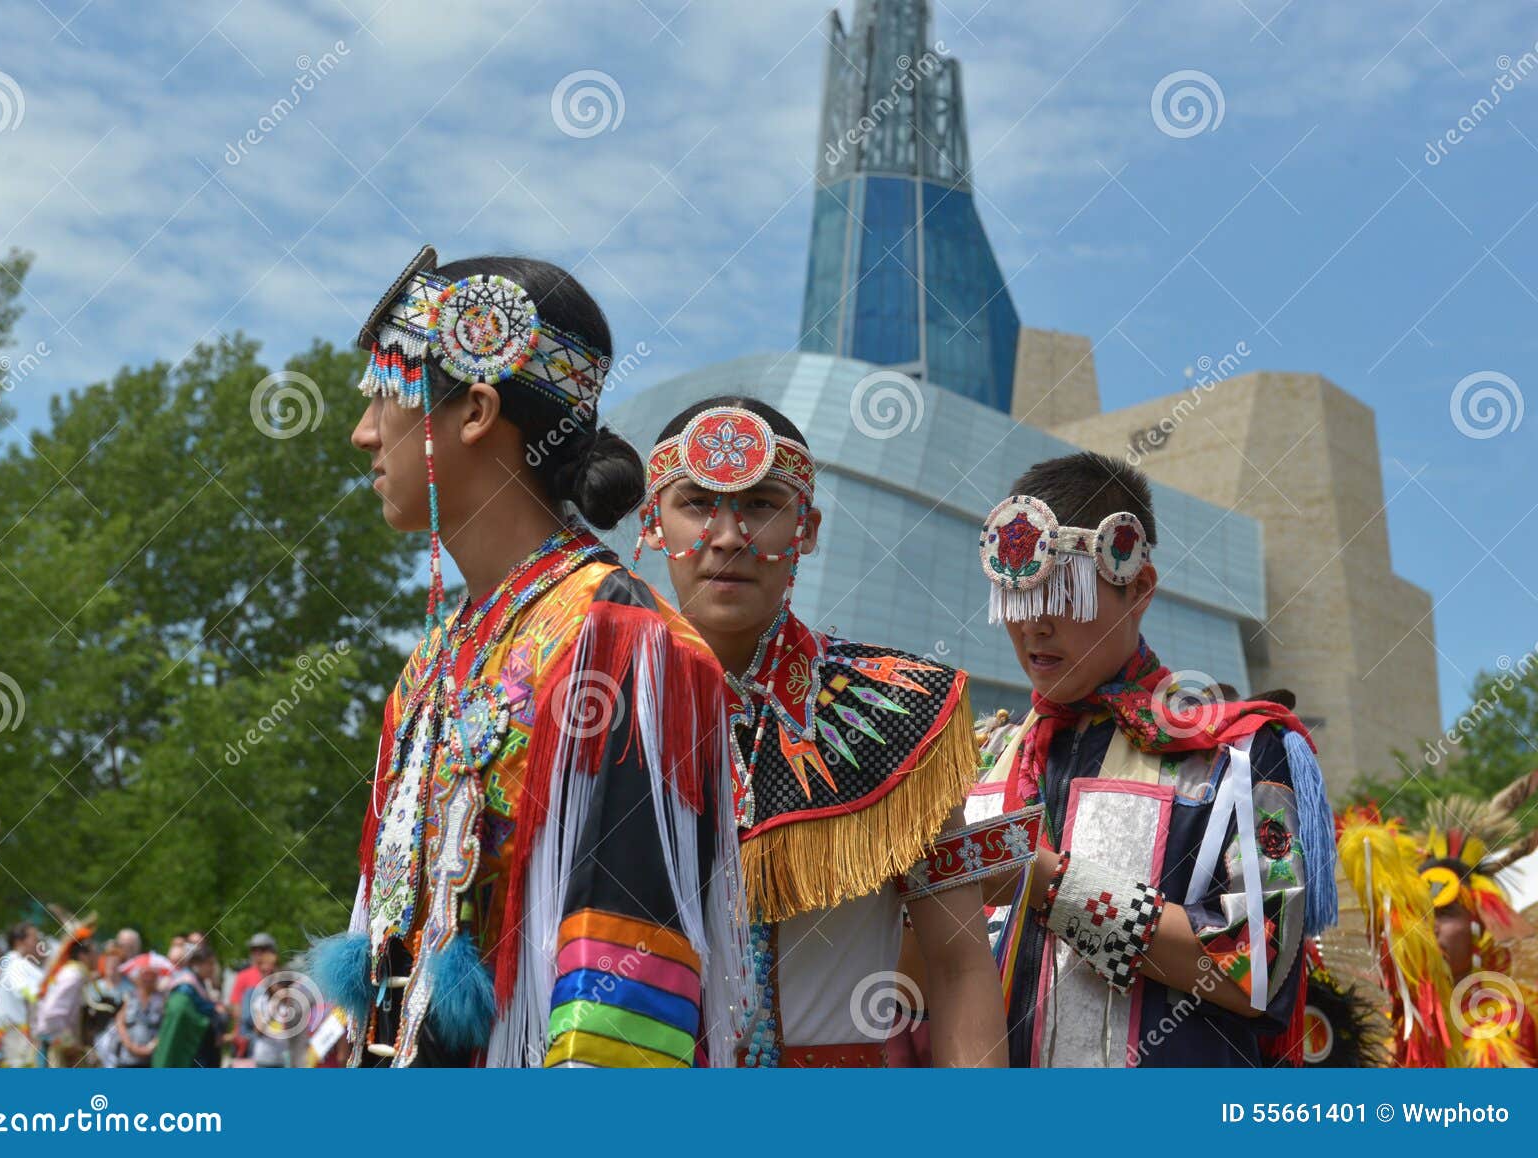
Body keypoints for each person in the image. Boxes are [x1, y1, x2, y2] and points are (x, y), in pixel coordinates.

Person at [315, 247, 745, 1069]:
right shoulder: (436, 658)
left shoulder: (624, 643)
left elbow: (625, 988)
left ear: (476, 412)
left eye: (389, 395)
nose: (363, 431)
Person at [635, 397, 1025, 1067]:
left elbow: (959, 964)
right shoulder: (600, 707)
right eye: (698, 503)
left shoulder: (900, 712)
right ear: (650, 525)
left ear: (807, 529)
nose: (728, 536)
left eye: (761, 506)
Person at [970, 451, 1339, 1066]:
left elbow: (1259, 967)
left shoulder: (1241, 755)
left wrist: (1046, 881)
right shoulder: (986, 761)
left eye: (1060, 593)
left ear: (1138, 587)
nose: (1032, 628)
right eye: (1017, 600)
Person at [1337, 770, 1538, 1067]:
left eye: (1445, 913)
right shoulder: (1387, 1031)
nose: (1430, 928)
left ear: (1478, 924)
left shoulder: (1515, 1019)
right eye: (1420, 916)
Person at [0, 922, 44, 1067]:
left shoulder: (10, 962)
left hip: (3, 1032)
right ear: (19, 941)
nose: (37, 942)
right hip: (7, 1036)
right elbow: (29, 992)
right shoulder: (16, 964)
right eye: (34, 938)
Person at [152, 940, 226, 1068]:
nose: (212, 968)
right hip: (190, 1049)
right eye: (209, 964)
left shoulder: (200, 983)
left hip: (200, 1047)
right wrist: (212, 1013)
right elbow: (185, 1012)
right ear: (197, 964)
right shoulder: (185, 986)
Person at [35, 924, 98, 1067]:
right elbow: (51, 1014)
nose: (98, 956)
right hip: (56, 1052)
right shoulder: (73, 976)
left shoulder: (73, 974)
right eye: (95, 952)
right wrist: (70, 1045)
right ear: (83, 956)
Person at [113, 954, 168, 1068]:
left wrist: (151, 1047)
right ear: (139, 977)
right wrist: (130, 1046)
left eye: (151, 975)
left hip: (151, 1059)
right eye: (145, 975)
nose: (147, 979)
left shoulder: (163, 1000)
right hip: (127, 1058)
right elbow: (120, 1022)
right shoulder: (130, 997)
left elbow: (165, 1026)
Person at [229, 931, 277, 1058]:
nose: (258, 953)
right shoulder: (243, 976)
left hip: (275, 1039)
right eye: (254, 950)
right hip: (248, 1037)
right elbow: (236, 1007)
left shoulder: (278, 976)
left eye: (262, 949)